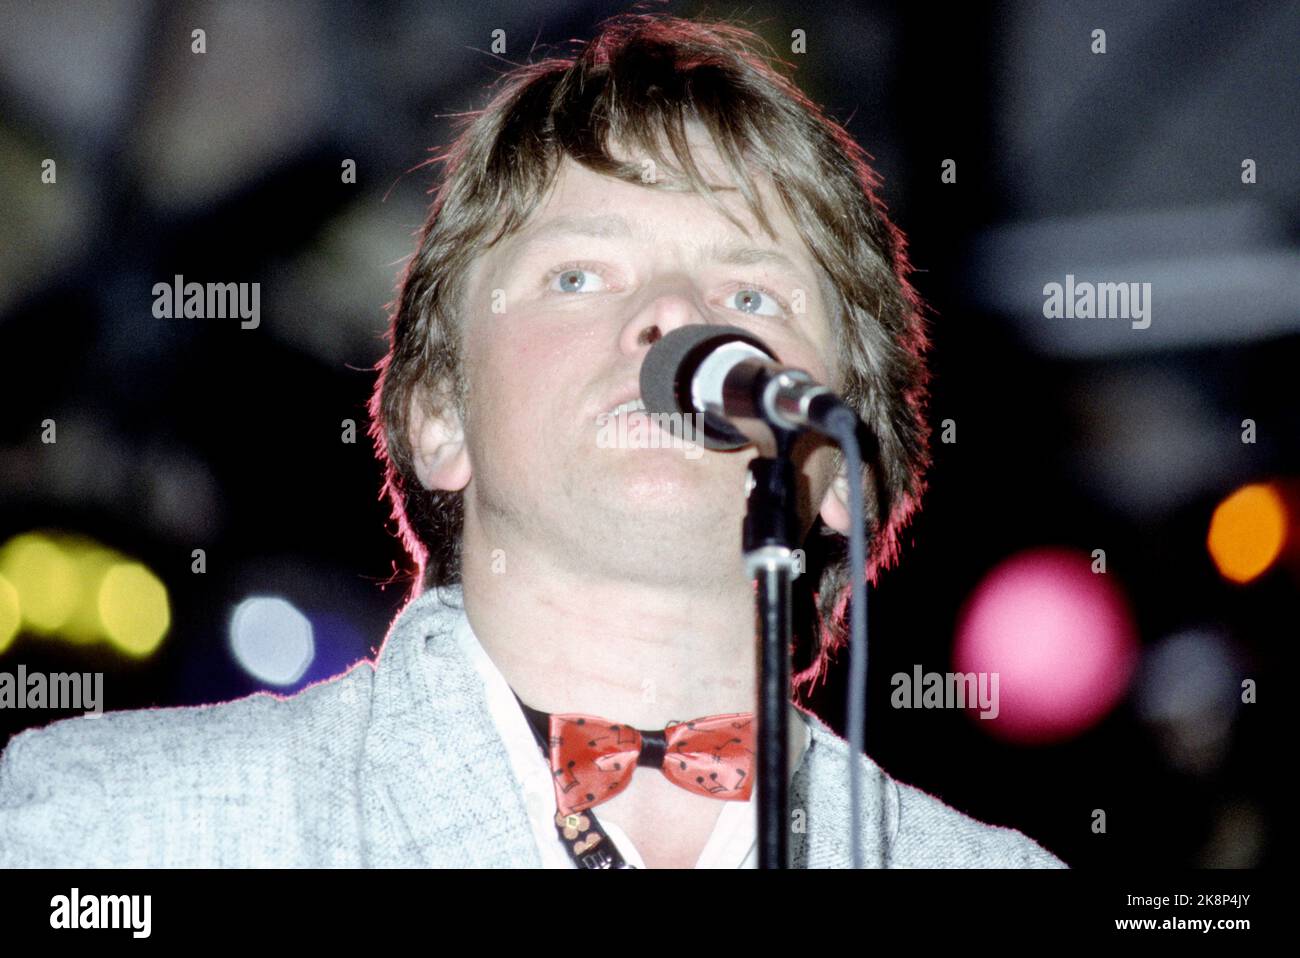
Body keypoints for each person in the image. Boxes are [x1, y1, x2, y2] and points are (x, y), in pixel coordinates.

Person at [0, 13, 1064, 869]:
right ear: (437, 419)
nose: (673, 322)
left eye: (749, 291)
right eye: (576, 276)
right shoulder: (90, 831)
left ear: (846, 468)